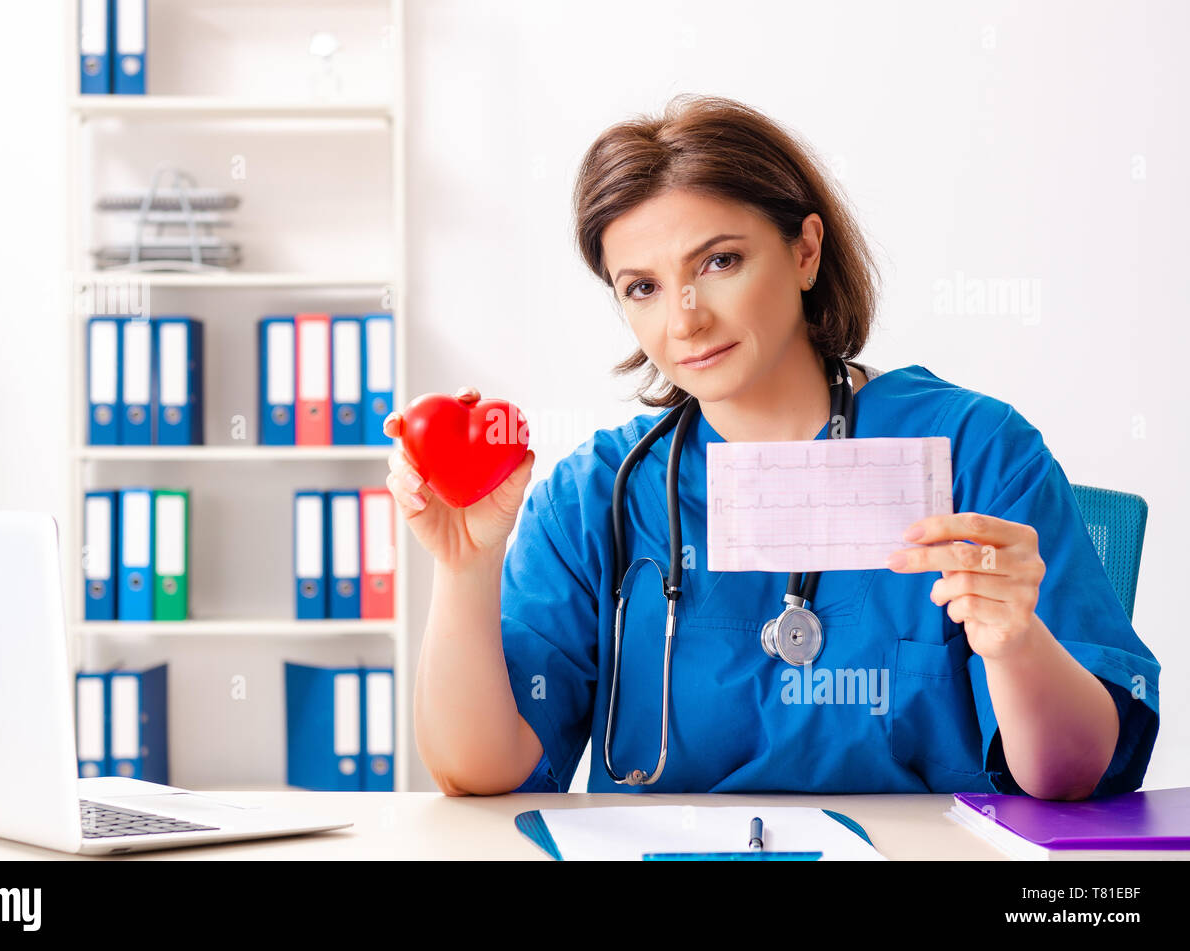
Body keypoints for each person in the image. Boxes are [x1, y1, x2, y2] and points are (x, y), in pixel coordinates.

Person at [383, 95, 1160, 798]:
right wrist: (466, 568)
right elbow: (476, 771)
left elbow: (1072, 775)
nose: (683, 319)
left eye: (719, 261)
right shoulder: (598, 494)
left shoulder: (976, 450)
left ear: (805, 252)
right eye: (642, 286)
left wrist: (1016, 643)